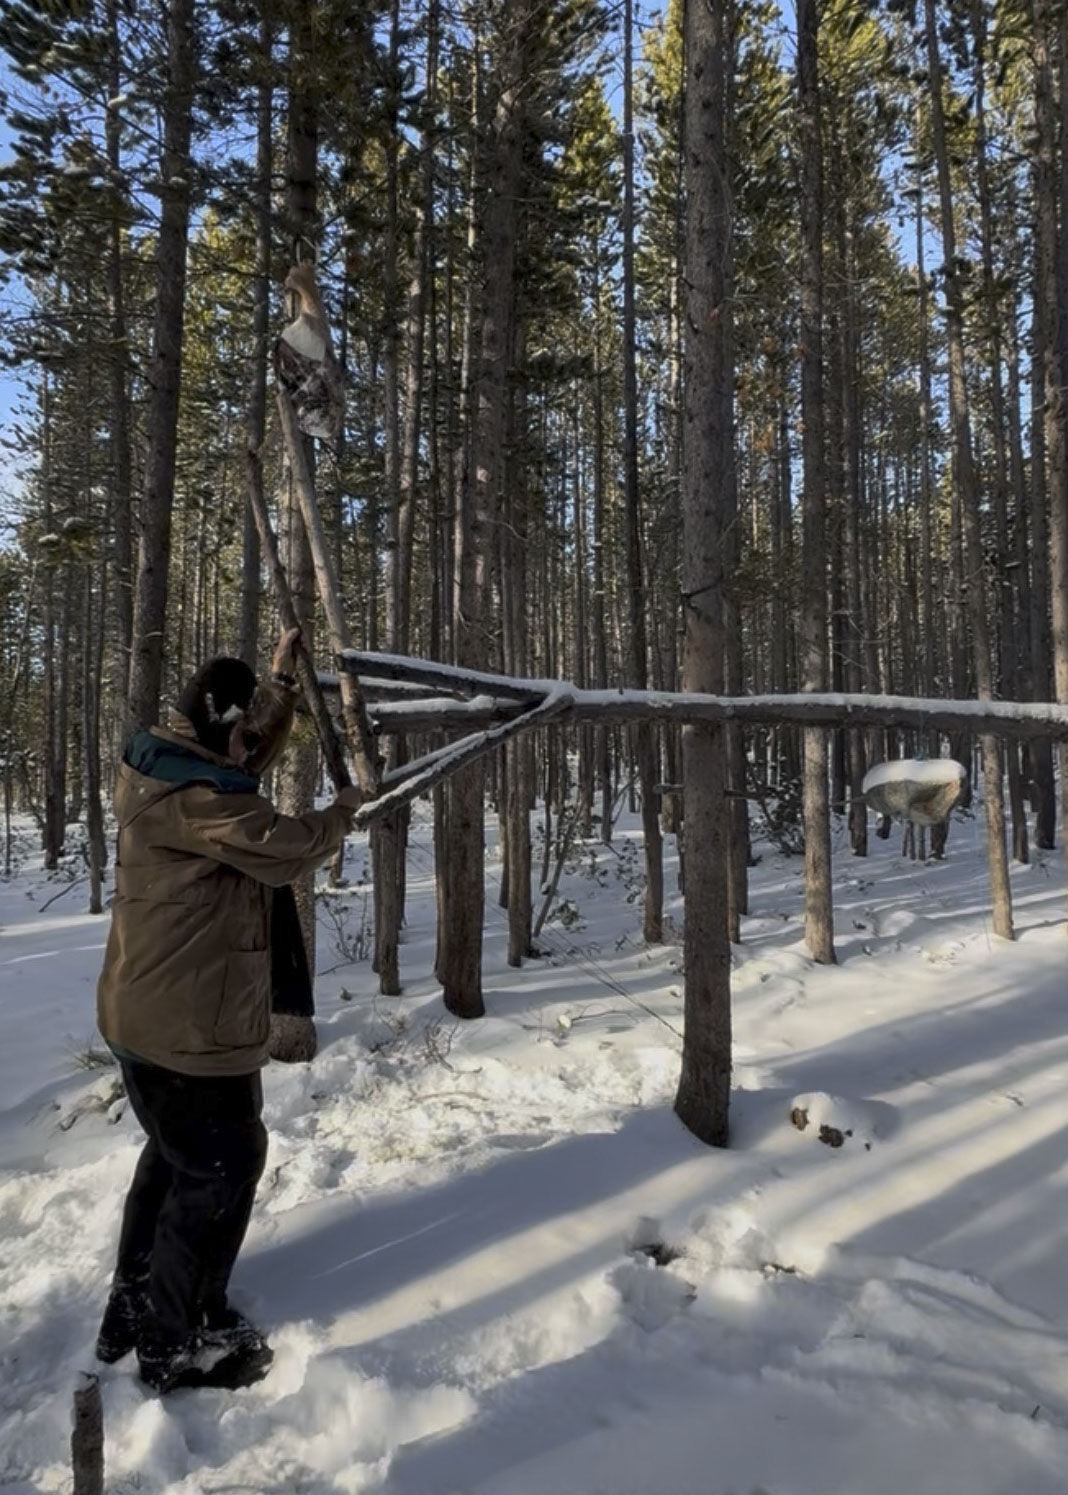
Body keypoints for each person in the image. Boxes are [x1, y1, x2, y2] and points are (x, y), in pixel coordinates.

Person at [95, 628, 362, 1393]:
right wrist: (341, 812)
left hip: (151, 1017)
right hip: (186, 1028)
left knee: (176, 1160)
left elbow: (243, 757)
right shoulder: (200, 801)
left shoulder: (174, 761)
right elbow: (282, 845)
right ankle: (175, 1339)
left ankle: (134, 1305)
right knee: (221, 1169)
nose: (253, 751)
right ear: (219, 726)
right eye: (245, 731)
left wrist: (275, 688)